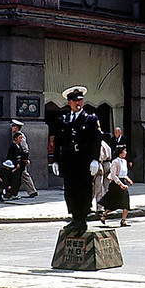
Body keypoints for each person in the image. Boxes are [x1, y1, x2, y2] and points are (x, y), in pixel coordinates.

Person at [52, 86, 102, 233]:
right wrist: (55, 160)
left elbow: (96, 140)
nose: (77, 103)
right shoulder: (64, 119)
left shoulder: (90, 119)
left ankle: (82, 219)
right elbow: (58, 142)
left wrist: (95, 159)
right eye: (74, 101)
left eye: (79, 100)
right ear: (69, 103)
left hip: (83, 160)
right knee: (70, 190)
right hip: (68, 161)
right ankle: (74, 217)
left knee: (83, 189)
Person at [98, 144, 133, 226]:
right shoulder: (115, 162)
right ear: (120, 152)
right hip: (116, 184)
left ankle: (123, 220)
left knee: (126, 202)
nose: (126, 152)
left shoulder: (124, 161)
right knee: (114, 202)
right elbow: (114, 175)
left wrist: (128, 179)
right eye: (124, 151)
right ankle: (104, 215)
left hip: (123, 182)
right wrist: (120, 184)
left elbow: (123, 174)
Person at [11, 119, 38, 198]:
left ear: (17, 127)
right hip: (17, 159)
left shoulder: (20, 136)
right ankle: (32, 191)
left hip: (20, 159)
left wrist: (24, 159)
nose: (12, 128)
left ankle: (32, 191)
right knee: (23, 175)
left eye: (13, 126)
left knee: (24, 174)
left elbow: (25, 148)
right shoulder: (15, 135)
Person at [94, 133, 113, 214]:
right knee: (107, 186)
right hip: (108, 164)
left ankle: (99, 207)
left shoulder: (99, 144)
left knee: (98, 187)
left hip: (101, 165)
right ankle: (109, 204)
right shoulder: (106, 145)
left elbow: (100, 156)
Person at [5, 131, 28, 200]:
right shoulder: (13, 146)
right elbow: (11, 157)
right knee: (13, 181)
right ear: (15, 138)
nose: (20, 139)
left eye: (21, 138)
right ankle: (10, 193)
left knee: (18, 181)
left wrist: (25, 160)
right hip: (14, 166)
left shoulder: (19, 146)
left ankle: (15, 193)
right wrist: (15, 164)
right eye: (19, 138)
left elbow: (21, 155)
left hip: (19, 166)